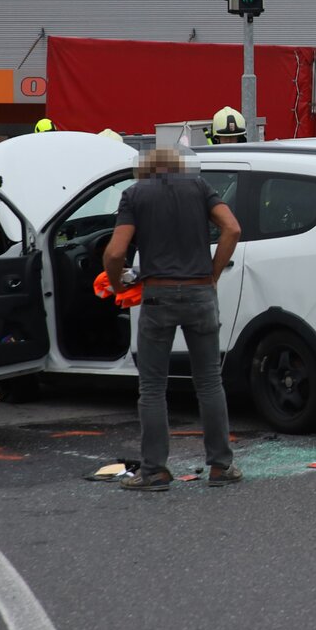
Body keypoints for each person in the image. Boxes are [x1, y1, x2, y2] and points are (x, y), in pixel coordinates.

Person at [103, 148, 243, 491]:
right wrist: (212, 275)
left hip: (158, 296)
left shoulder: (134, 194)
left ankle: (154, 471)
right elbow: (232, 229)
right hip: (200, 293)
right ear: (179, 167)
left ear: (144, 170)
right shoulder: (199, 187)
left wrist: (118, 284)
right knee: (209, 382)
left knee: (152, 388)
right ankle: (221, 466)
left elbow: (116, 252)